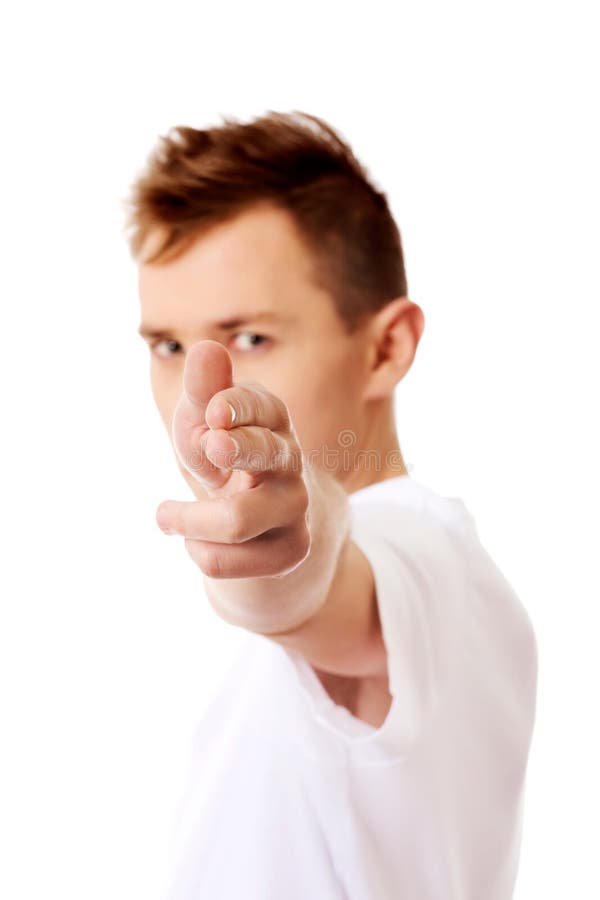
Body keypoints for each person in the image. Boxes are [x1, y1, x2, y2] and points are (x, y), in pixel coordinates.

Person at [123, 110, 538, 899]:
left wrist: (283, 557)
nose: (196, 393)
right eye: (167, 346)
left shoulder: (433, 566)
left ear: (387, 347)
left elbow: (324, 585)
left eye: (248, 338)